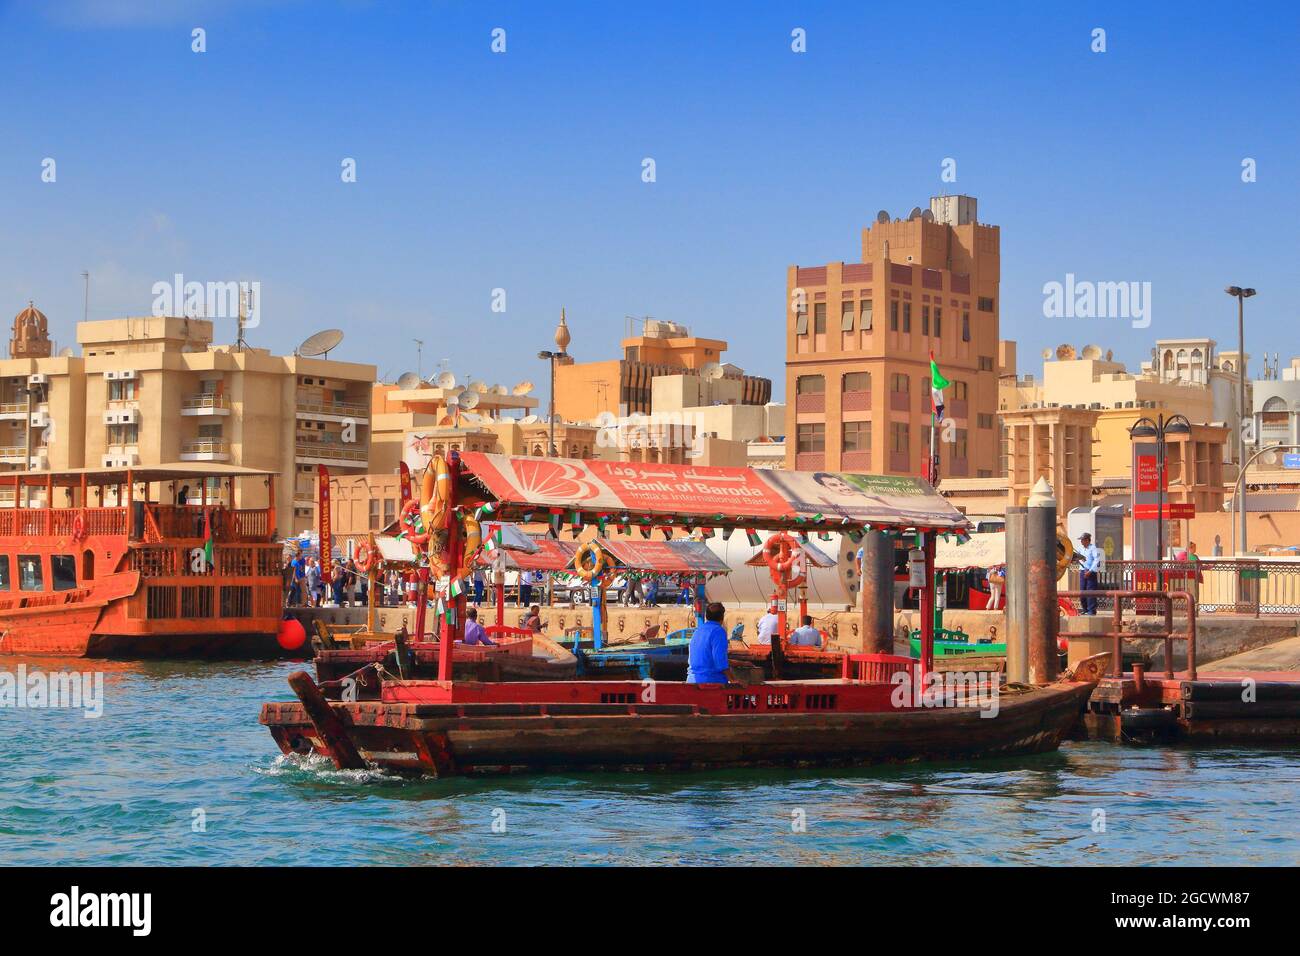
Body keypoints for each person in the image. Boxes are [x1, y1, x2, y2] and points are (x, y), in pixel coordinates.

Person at [687, 602, 730, 684]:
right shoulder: (718, 631)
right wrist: (733, 679)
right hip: (710, 681)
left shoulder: (698, 630)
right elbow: (720, 661)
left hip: (692, 680)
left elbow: (707, 658)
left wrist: (740, 663)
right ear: (722, 617)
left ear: (706, 616)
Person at [1079, 532, 1102, 615]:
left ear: (1087, 540)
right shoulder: (1081, 548)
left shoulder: (1093, 548)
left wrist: (1090, 571)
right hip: (1082, 571)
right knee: (1082, 591)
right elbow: (1077, 556)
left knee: (1090, 591)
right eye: (1081, 540)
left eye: (1082, 540)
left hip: (1090, 572)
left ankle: (1091, 610)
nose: (1081, 542)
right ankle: (1085, 609)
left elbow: (1097, 560)